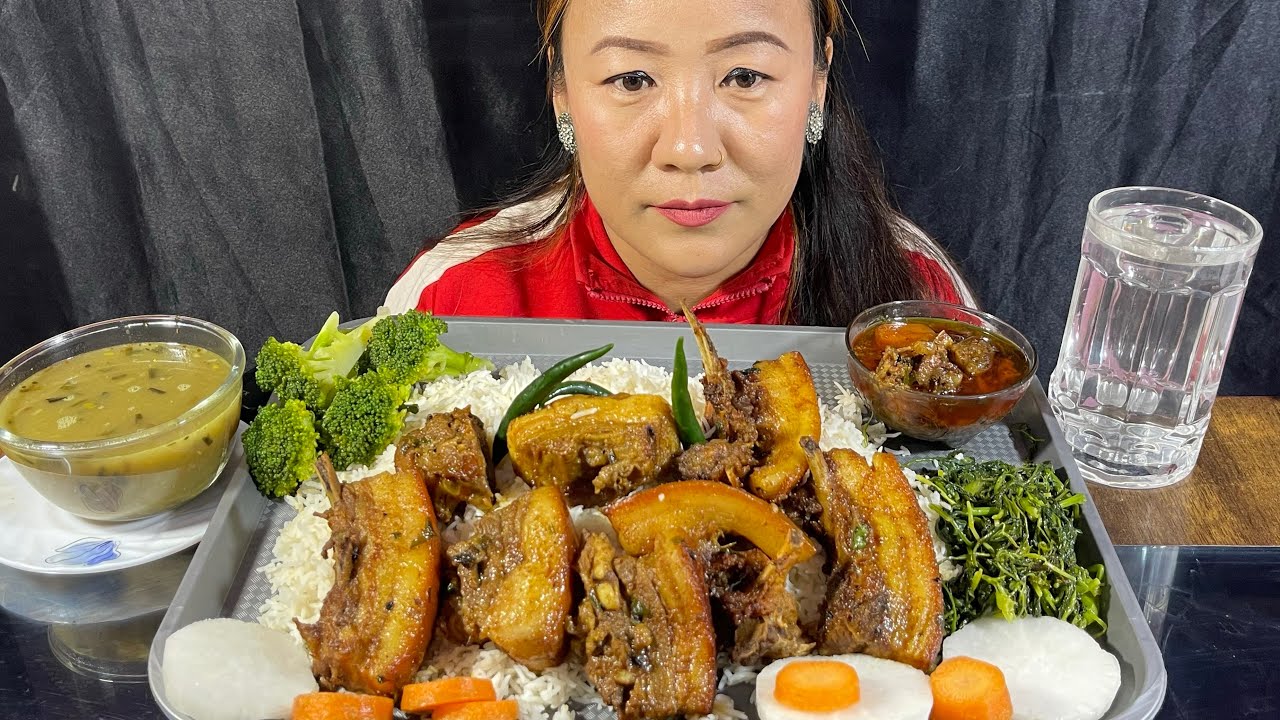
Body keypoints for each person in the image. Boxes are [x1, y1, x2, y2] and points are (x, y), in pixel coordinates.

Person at [386, 0, 974, 325]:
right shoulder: (449, 297)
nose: (689, 150)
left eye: (744, 76)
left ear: (817, 81)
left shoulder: (919, 303)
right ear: (562, 92)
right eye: (632, 79)